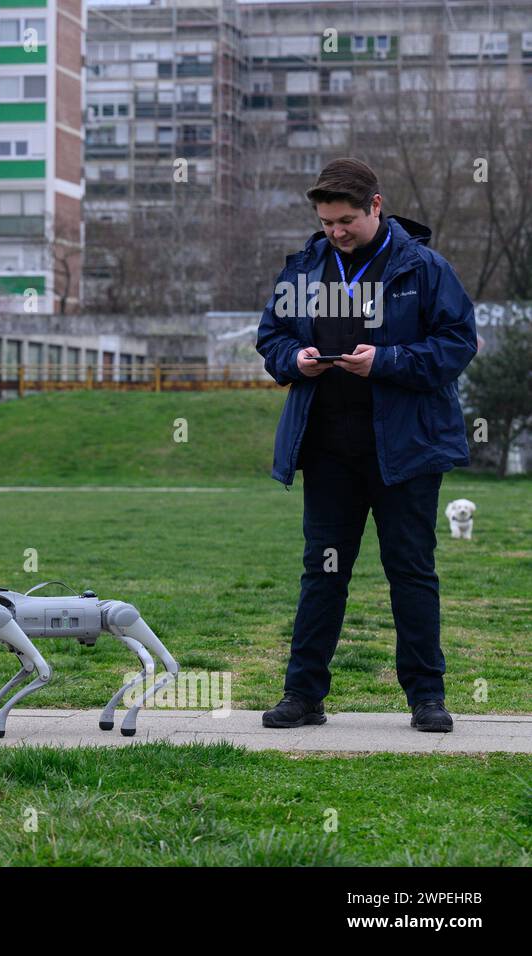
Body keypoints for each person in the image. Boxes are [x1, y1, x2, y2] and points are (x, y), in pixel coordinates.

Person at [255, 158, 477, 734]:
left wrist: (387, 361)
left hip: (406, 451)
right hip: (328, 452)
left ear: (376, 206)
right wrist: (293, 361)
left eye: (347, 220)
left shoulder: (424, 269)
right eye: (327, 222)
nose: (336, 232)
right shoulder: (302, 271)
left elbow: (457, 344)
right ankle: (303, 696)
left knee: (411, 572)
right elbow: (271, 337)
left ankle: (427, 697)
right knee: (322, 573)